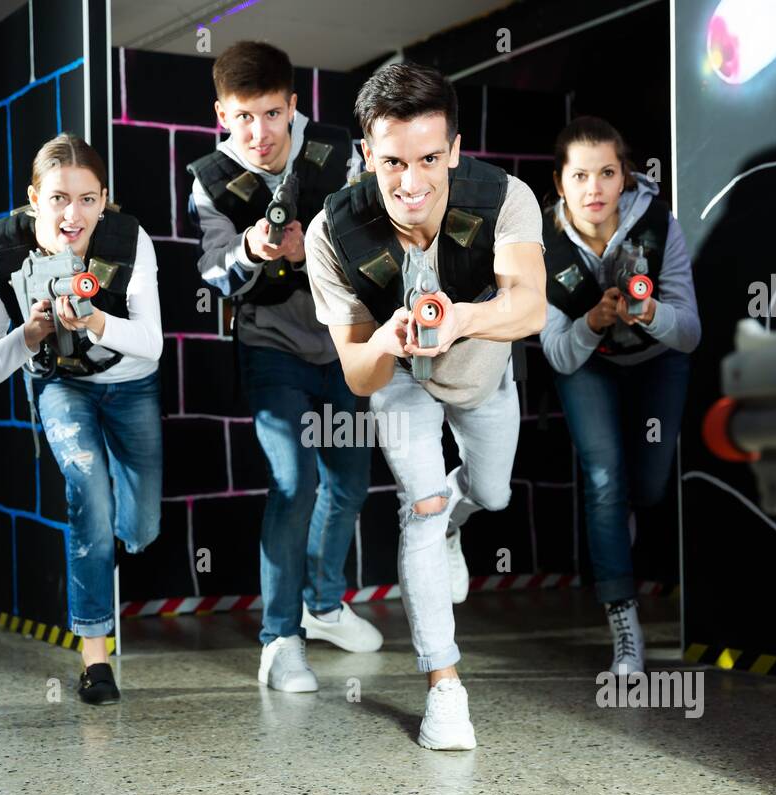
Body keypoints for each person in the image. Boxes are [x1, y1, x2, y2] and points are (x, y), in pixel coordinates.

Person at [305, 62, 546, 750]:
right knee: (421, 506)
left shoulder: (505, 197)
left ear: (456, 150)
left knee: (490, 495)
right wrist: (387, 335)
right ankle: (445, 687)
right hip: (398, 377)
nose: (411, 183)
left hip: (480, 374)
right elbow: (355, 373)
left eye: (430, 159)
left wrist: (464, 320)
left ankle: (455, 522)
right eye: (392, 163)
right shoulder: (332, 232)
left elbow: (530, 307)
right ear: (365, 155)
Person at [187, 40, 384, 694]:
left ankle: (324, 605)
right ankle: (279, 640)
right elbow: (213, 271)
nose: (258, 133)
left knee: (349, 484)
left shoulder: (337, 147)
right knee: (294, 482)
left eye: (271, 114)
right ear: (221, 114)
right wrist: (253, 248)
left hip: (343, 344)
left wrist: (314, 249)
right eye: (243, 118)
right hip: (271, 350)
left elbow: (372, 232)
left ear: (293, 105)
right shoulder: (210, 177)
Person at [0, 133, 164, 705]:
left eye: (86, 199)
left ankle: (116, 542)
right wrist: (30, 334)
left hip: (130, 385)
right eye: (57, 198)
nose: (71, 214)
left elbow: (151, 344)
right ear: (34, 197)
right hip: (59, 384)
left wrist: (97, 321)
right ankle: (95, 661)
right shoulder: (0, 249)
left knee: (141, 527)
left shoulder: (131, 241)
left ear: (105, 201)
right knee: (88, 498)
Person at [538, 116, 701, 677]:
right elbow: (558, 353)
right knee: (605, 481)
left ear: (625, 175)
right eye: (580, 175)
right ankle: (625, 626)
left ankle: (624, 518)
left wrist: (650, 312)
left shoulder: (659, 224)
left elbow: (690, 332)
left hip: (657, 362)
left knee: (648, 487)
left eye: (607, 173)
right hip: (590, 364)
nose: (594, 189)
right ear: (560, 183)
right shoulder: (542, 242)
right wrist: (592, 320)